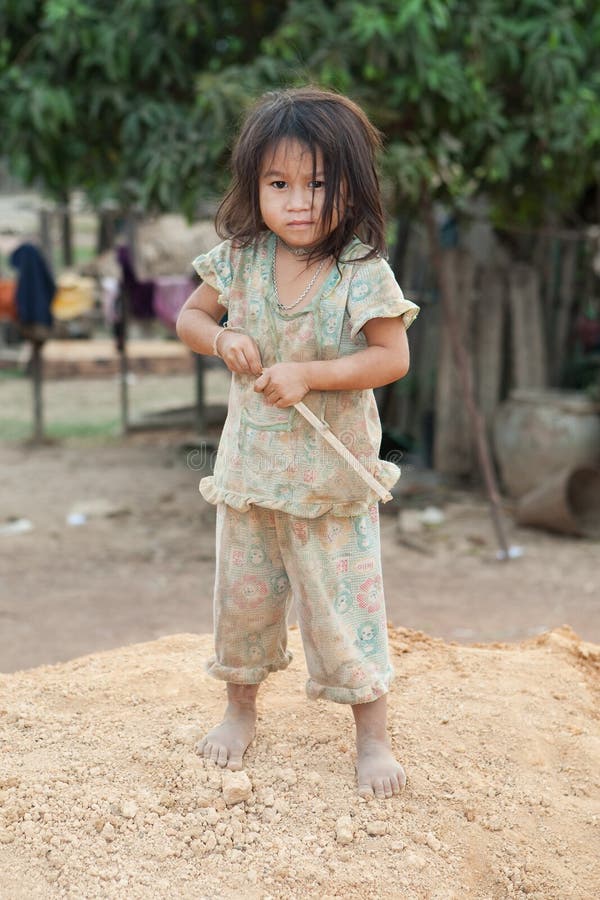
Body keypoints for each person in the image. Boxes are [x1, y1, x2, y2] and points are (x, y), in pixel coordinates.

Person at [176, 87, 420, 800]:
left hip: (331, 482)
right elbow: (190, 317)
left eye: (319, 182)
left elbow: (391, 358)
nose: (300, 201)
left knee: (343, 606)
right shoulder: (240, 259)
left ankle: (372, 737)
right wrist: (223, 337)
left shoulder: (361, 271)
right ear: (255, 187)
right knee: (244, 601)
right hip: (251, 474)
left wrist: (311, 375)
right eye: (279, 184)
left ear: (353, 182)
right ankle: (238, 712)